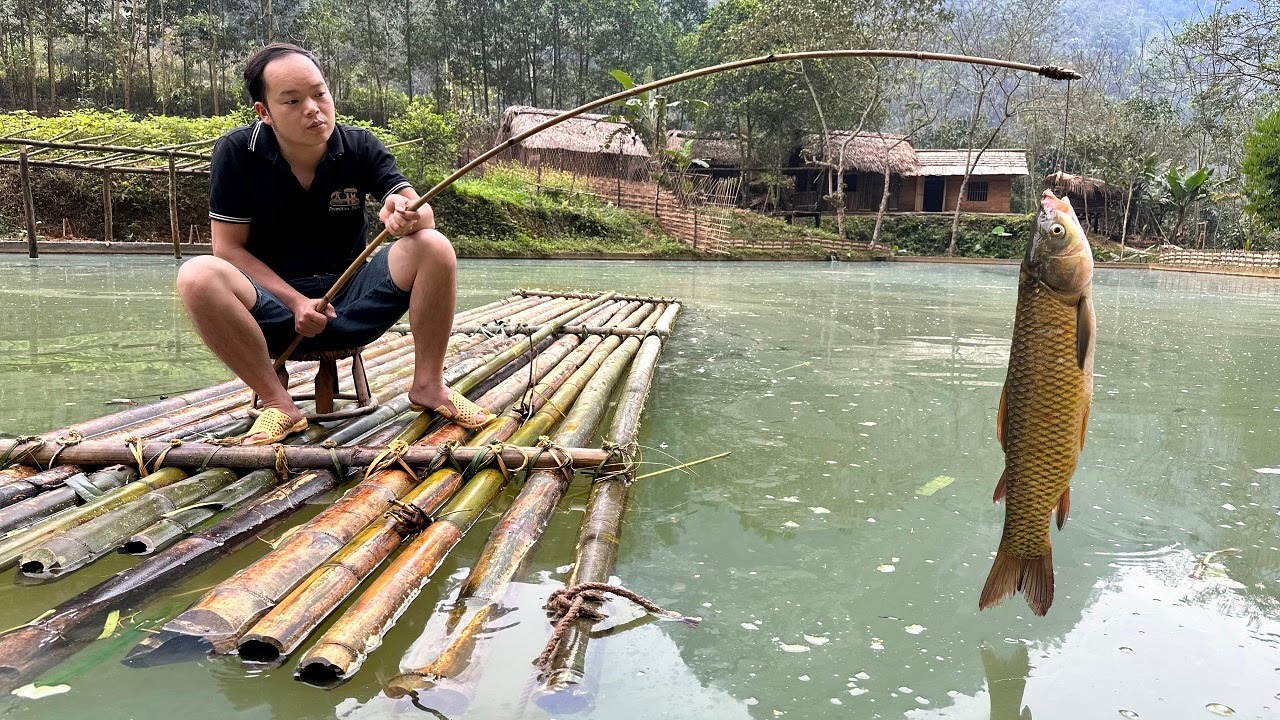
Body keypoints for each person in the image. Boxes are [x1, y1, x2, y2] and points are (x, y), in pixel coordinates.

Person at [176, 43, 493, 445]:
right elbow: (228, 250)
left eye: (319, 93)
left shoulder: (360, 146)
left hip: (350, 301)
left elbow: (419, 210)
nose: (312, 108)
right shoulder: (238, 152)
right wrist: (294, 302)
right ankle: (278, 404)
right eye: (292, 101)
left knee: (433, 244)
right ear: (264, 112)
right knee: (197, 274)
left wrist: (404, 210)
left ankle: (429, 385)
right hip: (270, 309)